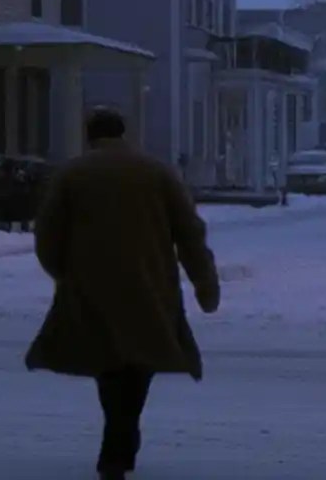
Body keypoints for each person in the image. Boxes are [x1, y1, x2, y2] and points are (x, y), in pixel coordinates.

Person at [25, 107, 220, 479]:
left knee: (109, 366)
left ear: (90, 136)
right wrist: (204, 284)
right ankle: (120, 443)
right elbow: (189, 233)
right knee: (138, 365)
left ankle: (118, 444)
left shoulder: (72, 175)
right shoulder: (157, 173)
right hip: (150, 287)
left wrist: (64, 273)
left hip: (91, 288)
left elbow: (47, 235)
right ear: (123, 134)